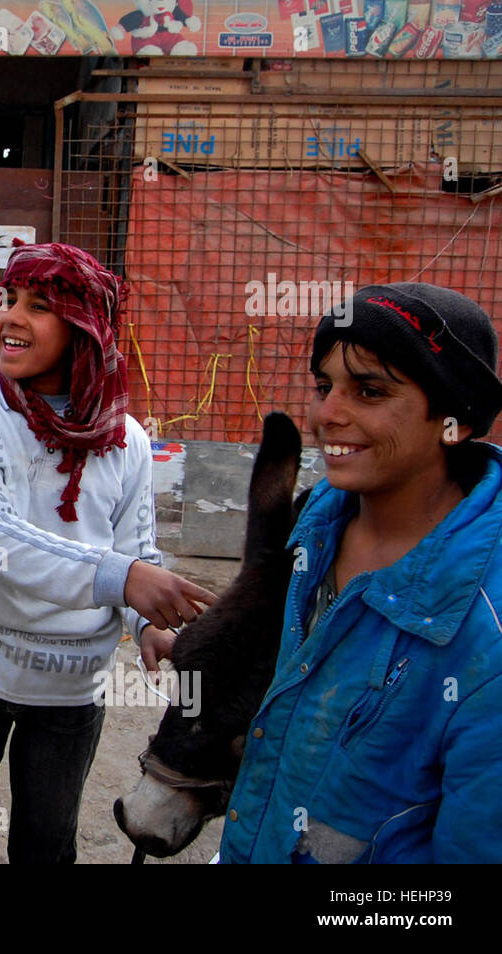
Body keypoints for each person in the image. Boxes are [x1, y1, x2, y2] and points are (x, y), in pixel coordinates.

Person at [0, 241, 216, 864]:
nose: (11, 318)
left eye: (39, 306)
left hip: (72, 689)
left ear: (84, 328)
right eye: (9, 299)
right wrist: (125, 580)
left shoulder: (125, 438)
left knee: (46, 847)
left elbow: (135, 545)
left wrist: (147, 622)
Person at [221, 283, 502, 863]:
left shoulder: (486, 632)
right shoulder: (315, 533)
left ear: (454, 420)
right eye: (325, 387)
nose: (327, 414)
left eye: (369, 391)